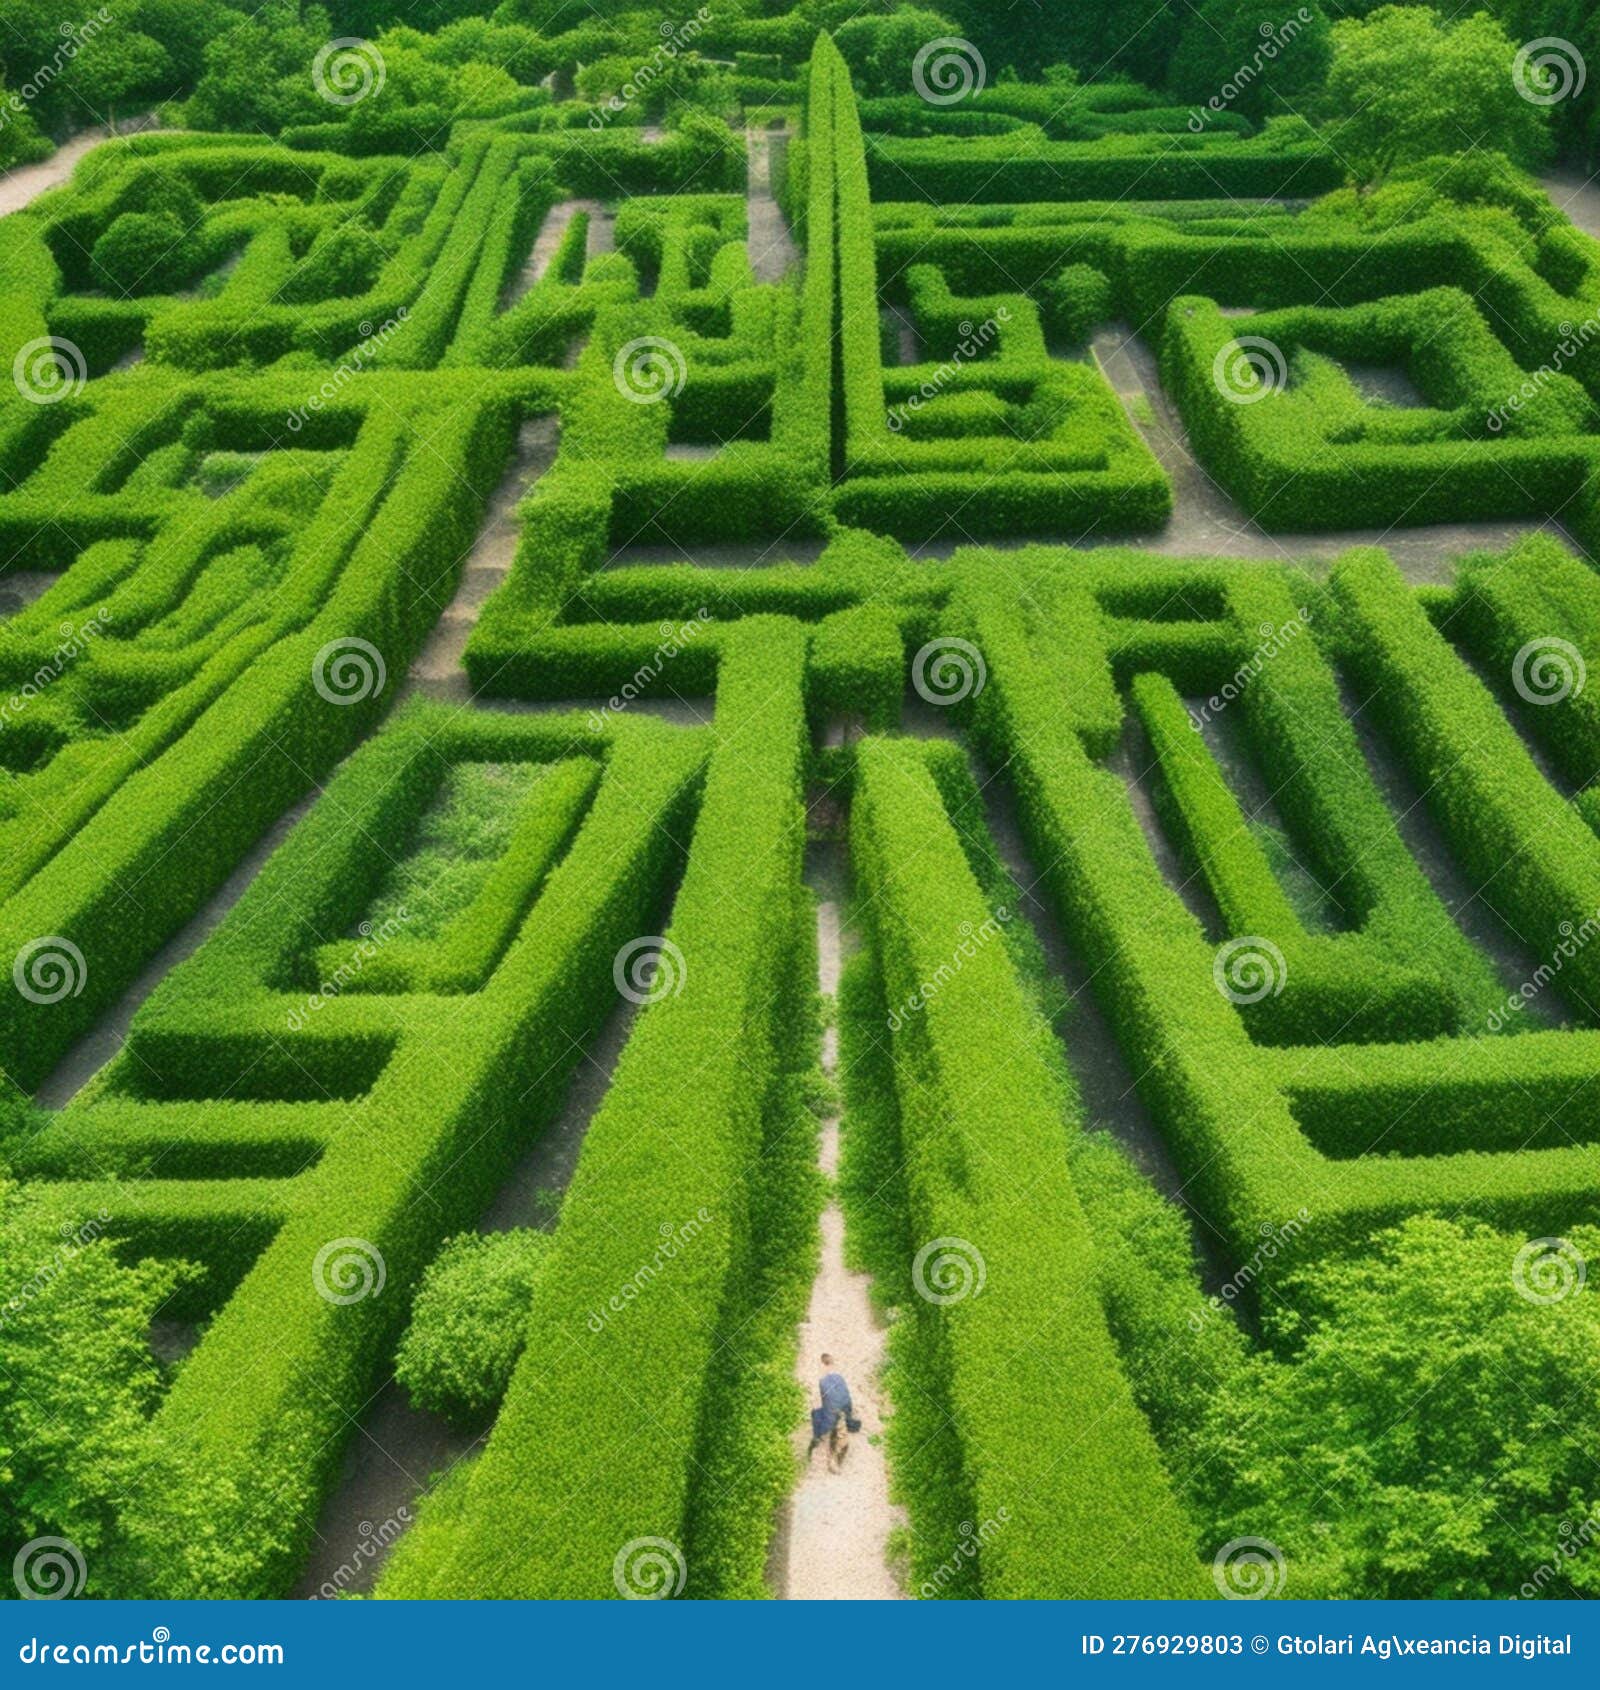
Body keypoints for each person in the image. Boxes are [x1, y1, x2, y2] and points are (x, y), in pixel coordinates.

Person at [809, 1353, 856, 1473]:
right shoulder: (830, 1379)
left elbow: (843, 1396)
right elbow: (841, 1397)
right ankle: (832, 1462)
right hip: (833, 1413)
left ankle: (832, 1461)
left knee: (840, 1440)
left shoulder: (830, 1379)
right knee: (839, 1439)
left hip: (834, 1413)